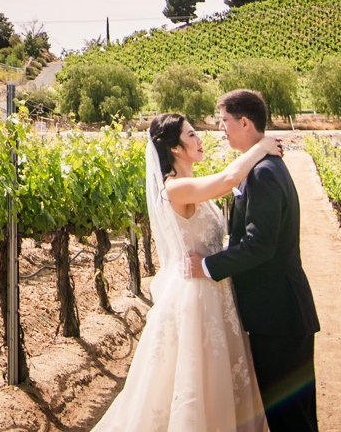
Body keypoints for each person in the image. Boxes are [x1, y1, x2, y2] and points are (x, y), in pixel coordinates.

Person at [91, 112, 277, 432]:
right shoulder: (174, 189)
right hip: (197, 297)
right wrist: (261, 147)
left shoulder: (190, 186)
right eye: (191, 135)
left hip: (215, 288)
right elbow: (228, 180)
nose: (200, 139)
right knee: (196, 380)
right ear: (175, 149)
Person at [188, 89, 319, 432]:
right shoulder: (264, 165)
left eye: (225, 122)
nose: (221, 129)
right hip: (280, 314)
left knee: (290, 417)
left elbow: (260, 245)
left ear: (244, 122)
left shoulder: (262, 172)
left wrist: (206, 266)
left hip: (279, 317)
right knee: (296, 415)